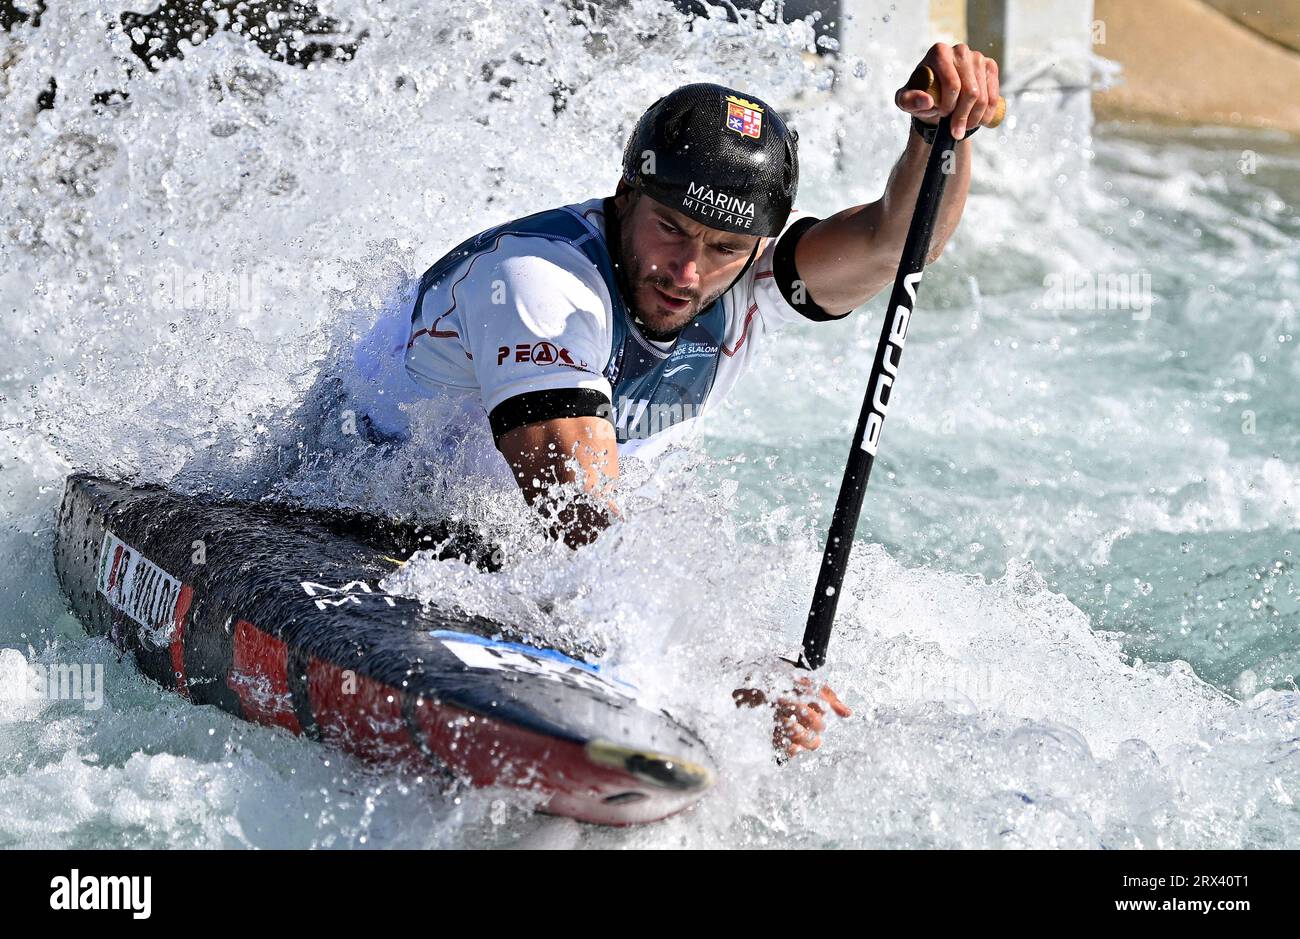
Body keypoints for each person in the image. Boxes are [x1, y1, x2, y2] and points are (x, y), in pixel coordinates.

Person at [353, 43, 1001, 759]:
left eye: (725, 246)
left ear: (758, 247)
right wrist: (724, 672)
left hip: (519, 554)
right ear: (625, 196)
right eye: (671, 229)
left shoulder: (749, 282)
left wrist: (942, 135)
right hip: (353, 514)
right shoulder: (539, 281)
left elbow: (894, 244)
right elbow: (581, 514)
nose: (688, 272)